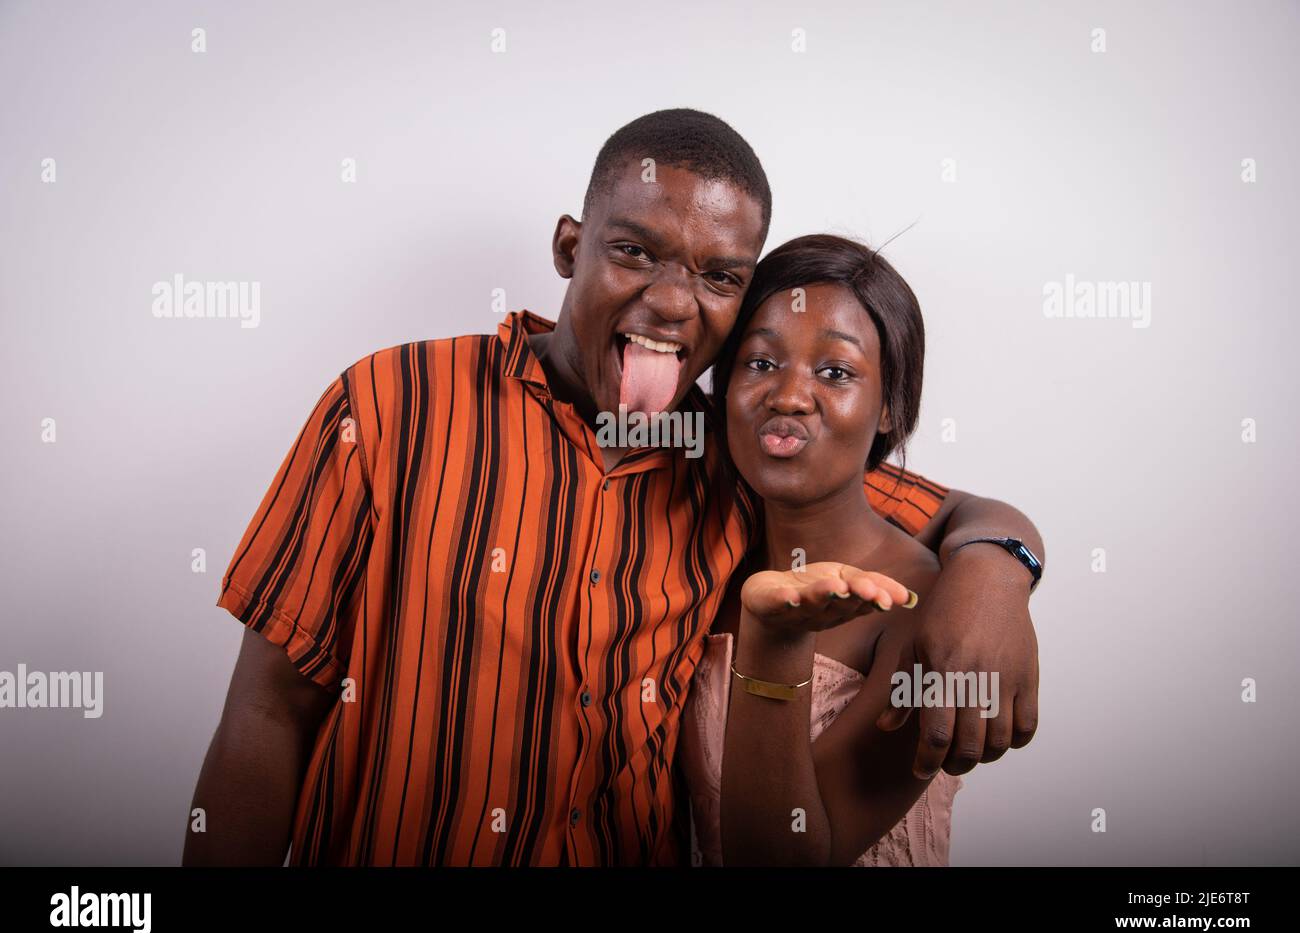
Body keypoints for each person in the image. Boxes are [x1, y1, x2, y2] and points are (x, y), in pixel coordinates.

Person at [183, 109, 1044, 866]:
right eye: (635, 251)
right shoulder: (388, 404)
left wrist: (999, 571)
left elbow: (941, 512)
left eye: (717, 276)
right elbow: (267, 718)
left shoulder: (739, 451)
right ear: (569, 247)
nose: (672, 303)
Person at [680, 234, 970, 866]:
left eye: (835, 372)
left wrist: (775, 640)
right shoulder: (702, 561)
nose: (786, 396)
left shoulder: (929, 606)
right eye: (759, 363)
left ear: (891, 404)